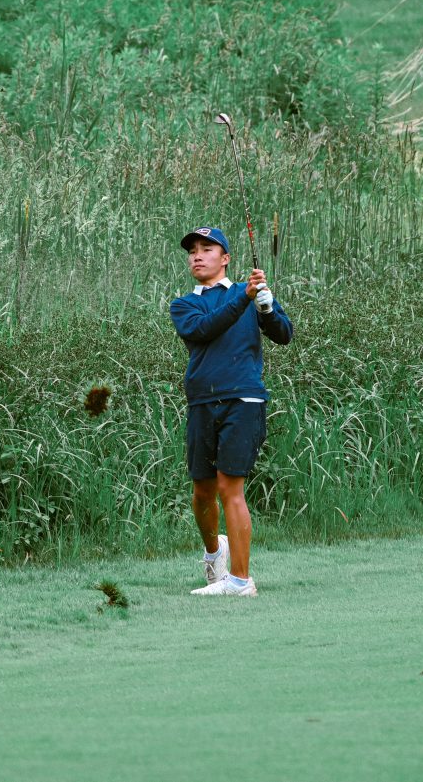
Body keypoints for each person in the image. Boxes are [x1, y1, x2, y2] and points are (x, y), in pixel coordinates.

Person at [170, 226, 293, 596]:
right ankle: (214, 553)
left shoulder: (247, 293)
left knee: (229, 487)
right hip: (202, 401)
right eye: (192, 250)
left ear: (225, 258)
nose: (197, 255)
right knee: (202, 491)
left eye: (207, 248)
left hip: (244, 398)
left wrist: (267, 307)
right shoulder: (184, 305)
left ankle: (240, 581)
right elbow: (207, 328)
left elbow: (284, 334)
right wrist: (245, 297)